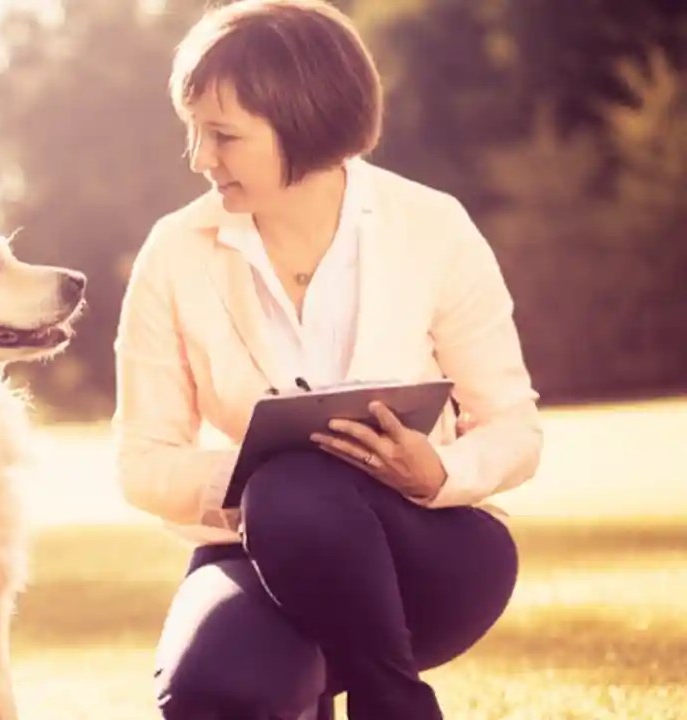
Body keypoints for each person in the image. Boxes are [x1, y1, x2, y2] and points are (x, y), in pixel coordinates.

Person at [111, 1, 543, 718]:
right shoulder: (175, 251)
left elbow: (513, 429)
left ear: (304, 122)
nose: (198, 158)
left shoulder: (431, 227)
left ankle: (385, 697)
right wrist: (256, 474)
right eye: (194, 132)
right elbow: (140, 461)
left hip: (429, 548)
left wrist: (436, 471)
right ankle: (386, 698)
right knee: (211, 690)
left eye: (222, 135)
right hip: (257, 549)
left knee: (298, 487)